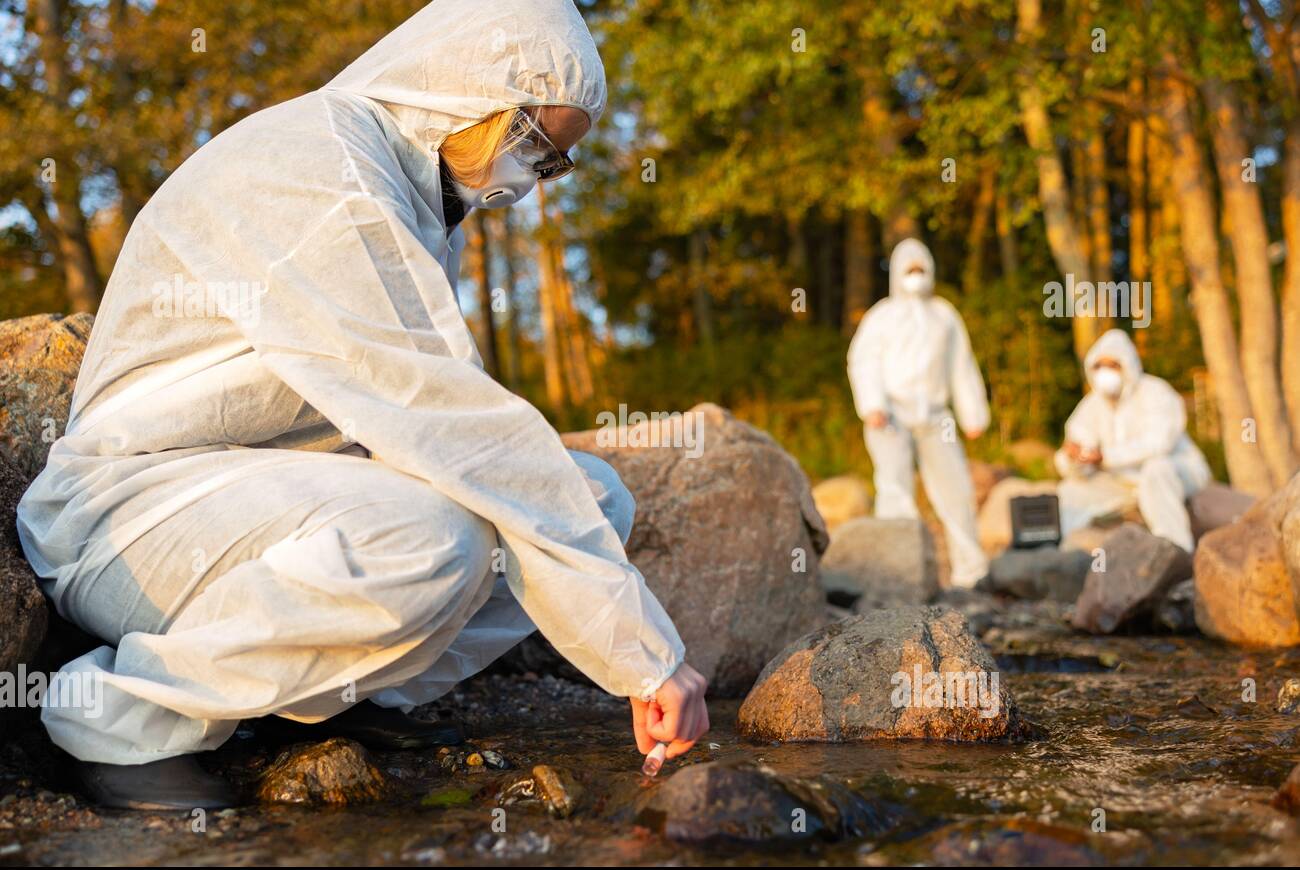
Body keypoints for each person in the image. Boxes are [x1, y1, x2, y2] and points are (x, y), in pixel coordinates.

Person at [16, 0, 708, 810]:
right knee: (432, 539)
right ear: (466, 85)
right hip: (135, 509)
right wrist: (644, 652)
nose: (529, 180)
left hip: (264, 496)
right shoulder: (318, 172)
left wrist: (626, 631)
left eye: (552, 163)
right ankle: (127, 720)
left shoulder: (407, 188)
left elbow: (418, 426)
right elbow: (442, 415)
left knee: (594, 496)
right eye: (532, 144)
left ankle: (327, 699)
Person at [847, 238, 992, 588]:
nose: (916, 276)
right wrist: (873, 404)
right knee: (894, 486)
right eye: (909, 270)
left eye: (921, 269)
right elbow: (864, 361)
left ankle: (970, 572)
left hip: (936, 415)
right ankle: (899, 574)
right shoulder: (882, 315)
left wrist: (973, 413)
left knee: (955, 486)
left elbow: (961, 366)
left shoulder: (944, 314)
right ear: (897, 273)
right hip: (891, 413)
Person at [1054, 328, 1210, 552]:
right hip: (1121, 482)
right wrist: (1073, 459)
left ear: (1128, 366)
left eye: (1112, 365)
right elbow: (1078, 451)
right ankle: (1066, 555)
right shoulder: (1091, 405)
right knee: (1069, 491)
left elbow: (1159, 444)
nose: (1105, 372)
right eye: (1099, 366)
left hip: (1177, 471)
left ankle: (1176, 551)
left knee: (1156, 470)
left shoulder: (1156, 392)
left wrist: (1104, 456)